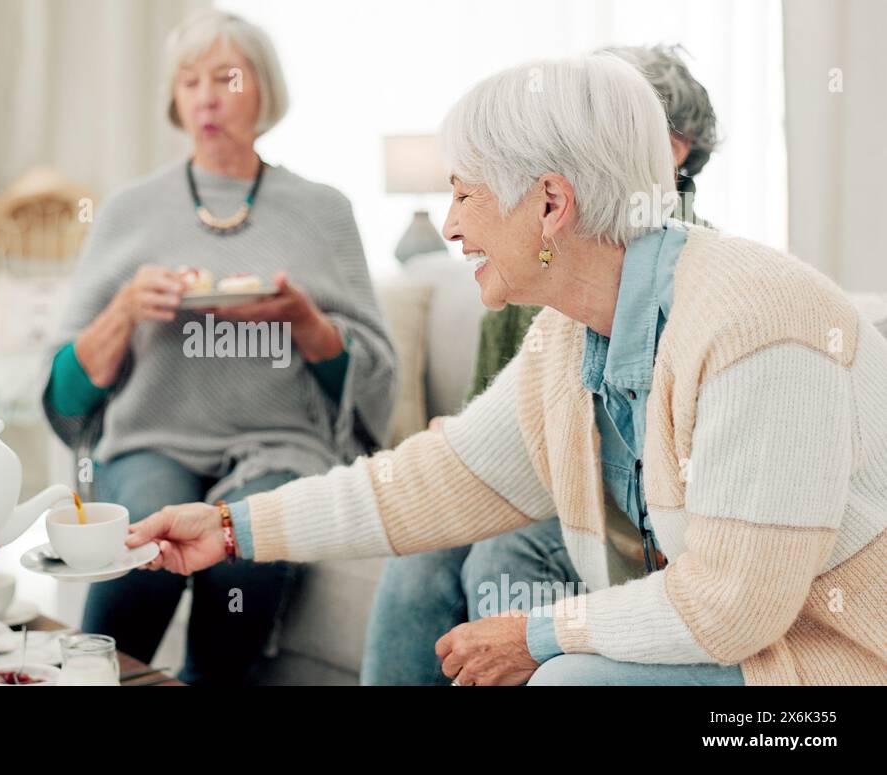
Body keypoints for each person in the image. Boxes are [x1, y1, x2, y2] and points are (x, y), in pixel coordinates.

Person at [125, 54, 887, 686]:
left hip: (824, 674)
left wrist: (541, 631)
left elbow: (732, 608)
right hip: (739, 652)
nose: (451, 225)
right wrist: (231, 527)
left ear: (551, 201)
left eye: (464, 193)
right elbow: (430, 480)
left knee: (567, 678)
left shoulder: (756, 325)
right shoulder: (569, 341)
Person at [41, 9, 396, 685]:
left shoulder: (323, 210)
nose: (205, 95)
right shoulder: (128, 211)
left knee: (243, 549)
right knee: (147, 536)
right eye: (189, 79)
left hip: (280, 442)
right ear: (174, 99)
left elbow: (376, 376)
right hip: (153, 437)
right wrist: (122, 310)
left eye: (226, 77)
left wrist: (304, 319)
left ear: (265, 90)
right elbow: (64, 391)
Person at [363, 43, 721, 685]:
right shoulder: (513, 273)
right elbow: (483, 426)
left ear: (676, 152)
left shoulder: (700, 279)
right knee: (421, 550)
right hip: (539, 483)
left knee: (503, 552)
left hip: (615, 518)